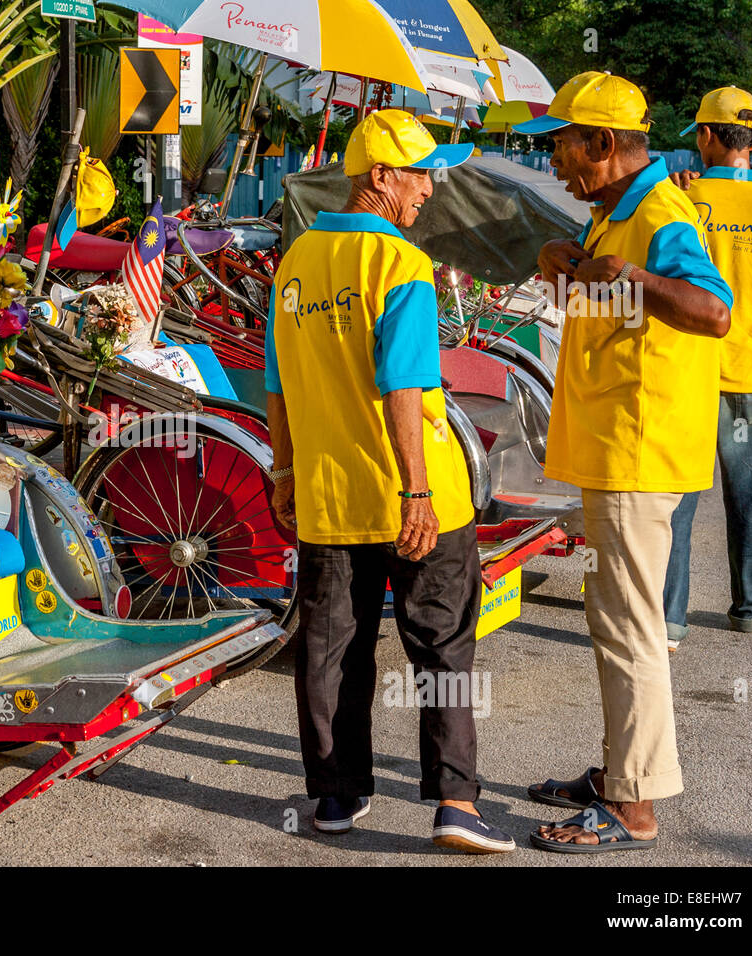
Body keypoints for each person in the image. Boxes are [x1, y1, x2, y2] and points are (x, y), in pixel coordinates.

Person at [267, 109, 514, 854]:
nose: (430, 189)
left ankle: (338, 798)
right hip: (416, 493)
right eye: (419, 173)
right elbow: (405, 383)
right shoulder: (402, 265)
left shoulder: (297, 261)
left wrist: (283, 471)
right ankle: (455, 805)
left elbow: (277, 384)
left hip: (331, 496)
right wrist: (415, 491)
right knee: (442, 648)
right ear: (381, 177)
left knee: (333, 647)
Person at [517, 72, 732, 853]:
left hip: (640, 451)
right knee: (615, 620)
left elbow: (712, 311)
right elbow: (618, 313)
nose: (556, 162)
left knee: (632, 630)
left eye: (562, 144)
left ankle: (634, 805)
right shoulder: (620, 214)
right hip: (619, 448)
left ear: (603, 145)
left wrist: (633, 275)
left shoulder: (660, 216)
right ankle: (619, 775)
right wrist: (569, 264)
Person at [662, 88, 752, 649]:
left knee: (678, 503)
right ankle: (750, 607)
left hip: (691, 370)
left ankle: (668, 620)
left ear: (706, 138)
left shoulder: (679, 200)